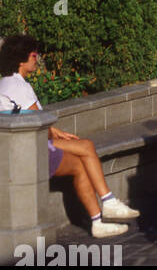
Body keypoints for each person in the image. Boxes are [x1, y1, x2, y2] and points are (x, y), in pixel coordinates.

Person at [0, 35, 139, 239]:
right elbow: (36, 123)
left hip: (23, 147)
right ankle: (106, 204)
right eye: (33, 55)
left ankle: (100, 217)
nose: (37, 59)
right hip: (30, 153)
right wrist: (52, 132)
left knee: (82, 158)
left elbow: (29, 119)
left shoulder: (7, 83)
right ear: (21, 59)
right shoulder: (19, 86)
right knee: (85, 150)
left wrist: (55, 132)